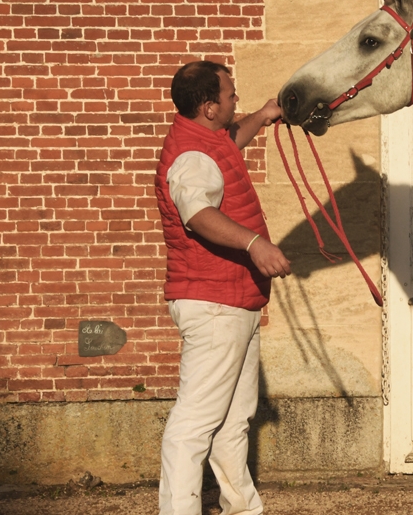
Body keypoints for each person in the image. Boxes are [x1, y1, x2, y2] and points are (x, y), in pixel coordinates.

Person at [155, 60, 290, 515]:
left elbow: (230, 143)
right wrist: (254, 245)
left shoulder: (207, 138)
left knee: (234, 422)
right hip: (214, 303)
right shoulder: (192, 158)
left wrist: (265, 115)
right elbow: (198, 214)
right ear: (210, 106)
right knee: (194, 425)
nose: (237, 100)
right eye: (231, 95)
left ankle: (243, 509)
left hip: (233, 301)